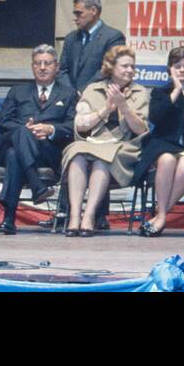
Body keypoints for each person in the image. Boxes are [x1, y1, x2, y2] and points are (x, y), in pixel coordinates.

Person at [60, 45, 150, 236]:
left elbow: (141, 129)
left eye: (132, 67)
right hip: (92, 142)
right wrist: (106, 110)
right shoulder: (93, 89)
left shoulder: (140, 92)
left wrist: (124, 106)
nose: (130, 70)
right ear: (111, 67)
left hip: (123, 147)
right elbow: (81, 125)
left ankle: (89, 217)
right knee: (76, 153)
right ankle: (75, 216)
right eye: (125, 66)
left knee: (102, 159)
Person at [0, 45, 77, 234]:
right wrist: (27, 131)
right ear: (32, 67)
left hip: (50, 151)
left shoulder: (69, 94)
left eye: (47, 63)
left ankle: (8, 218)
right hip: (16, 142)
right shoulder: (17, 91)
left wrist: (50, 129)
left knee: (14, 155)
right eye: (38, 63)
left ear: (56, 67)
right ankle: (37, 186)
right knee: (20, 135)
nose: (43, 67)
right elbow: (3, 122)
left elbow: (73, 127)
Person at [135, 47, 184, 237]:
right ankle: (161, 215)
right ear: (170, 69)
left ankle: (159, 216)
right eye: (177, 66)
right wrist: (177, 90)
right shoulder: (160, 93)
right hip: (163, 144)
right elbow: (156, 118)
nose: (182, 70)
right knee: (167, 160)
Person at [58, 0, 126, 91]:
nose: (75, 18)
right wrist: (70, 93)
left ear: (93, 11)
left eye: (79, 13)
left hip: (98, 97)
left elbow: (108, 70)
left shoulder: (114, 37)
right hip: (69, 98)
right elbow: (62, 70)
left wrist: (83, 91)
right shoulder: (70, 38)